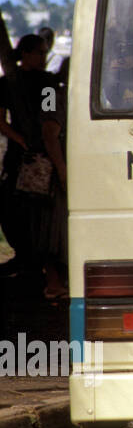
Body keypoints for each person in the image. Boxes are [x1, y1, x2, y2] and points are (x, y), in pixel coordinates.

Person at [0, 33, 68, 298]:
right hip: (42, 160)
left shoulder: (9, 83)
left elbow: (2, 121)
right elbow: (49, 124)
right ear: (26, 54)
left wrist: (20, 141)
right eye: (39, 52)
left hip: (19, 157)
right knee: (45, 222)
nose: (43, 57)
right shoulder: (49, 84)